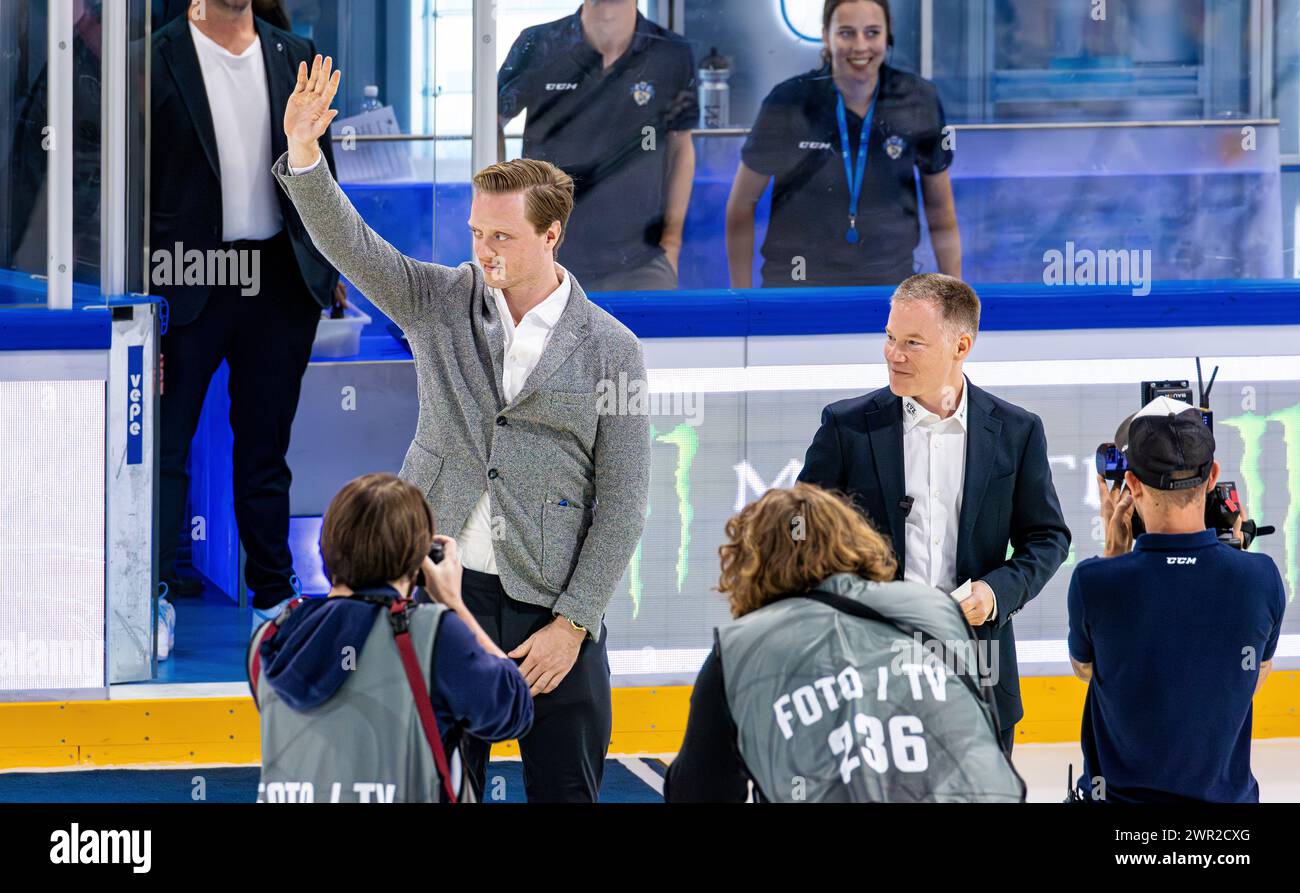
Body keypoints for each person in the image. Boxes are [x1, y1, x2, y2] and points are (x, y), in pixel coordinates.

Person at [271, 56, 652, 802]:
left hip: (553, 606)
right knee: (435, 787)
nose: (484, 251)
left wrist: (572, 624)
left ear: (552, 236)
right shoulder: (439, 300)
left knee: (568, 792)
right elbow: (351, 244)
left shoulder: (614, 349)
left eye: (503, 237)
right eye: (478, 232)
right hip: (439, 586)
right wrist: (307, 153)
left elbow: (627, 502)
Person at [797, 273, 1070, 750]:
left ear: (960, 345)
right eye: (889, 337)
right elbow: (798, 535)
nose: (893, 354)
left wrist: (995, 592)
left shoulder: (1017, 431)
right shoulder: (845, 427)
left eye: (913, 343)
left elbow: (1047, 538)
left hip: (978, 679)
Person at [151, 0, 343, 624]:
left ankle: (272, 591)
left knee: (265, 448)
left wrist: (329, 266)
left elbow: (322, 174)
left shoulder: (295, 56)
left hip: (279, 282)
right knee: (167, 446)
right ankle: (150, 589)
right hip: (184, 281)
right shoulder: (149, 60)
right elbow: (119, 190)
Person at [663, 483, 1023, 802]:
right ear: (856, 540)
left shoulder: (741, 648)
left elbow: (696, 791)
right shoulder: (936, 609)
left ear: (748, 564)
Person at [249, 473, 533, 803]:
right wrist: (454, 603)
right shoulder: (431, 634)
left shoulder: (270, 639)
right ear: (419, 562)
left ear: (326, 548)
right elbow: (515, 710)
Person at [1068, 398, 1285, 803]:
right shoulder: (1261, 578)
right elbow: (1246, 681)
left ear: (1130, 485)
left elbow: (1088, 672)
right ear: (1213, 475)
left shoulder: (1093, 582)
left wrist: (1113, 555)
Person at [726, 0, 959, 289]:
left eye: (872, 32)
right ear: (826, 35)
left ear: (888, 35)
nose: (860, 46)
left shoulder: (917, 99)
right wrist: (742, 299)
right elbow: (740, 206)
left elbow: (940, 211)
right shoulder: (789, 101)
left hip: (891, 293)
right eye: (846, 33)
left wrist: (954, 303)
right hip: (796, 287)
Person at [496, 0, 697, 291]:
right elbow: (491, 123)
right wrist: (507, 217)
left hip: (641, 260)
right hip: (546, 256)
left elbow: (681, 148)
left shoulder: (670, 53)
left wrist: (672, 244)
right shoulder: (539, 44)